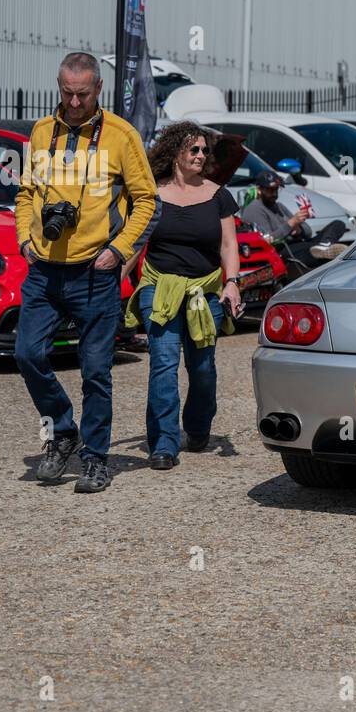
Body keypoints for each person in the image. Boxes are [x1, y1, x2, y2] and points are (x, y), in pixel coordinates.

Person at [14, 52, 158, 494]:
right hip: (45, 271)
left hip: (95, 272)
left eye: (82, 93)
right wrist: (24, 241)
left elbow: (147, 202)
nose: (74, 102)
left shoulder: (120, 134)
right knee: (27, 355)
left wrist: (119, 250)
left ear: (99, 89)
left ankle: (96, 459)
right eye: (66, 93)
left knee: (95, 371)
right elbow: (25, 193)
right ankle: (62, 431)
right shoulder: (41, 132)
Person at [121, 123, 241, 470]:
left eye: (204, 151)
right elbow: (135, 244)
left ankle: (199, 426)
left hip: (204, 292)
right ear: (176, 153)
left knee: (202, 369)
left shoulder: (218, 195)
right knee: (163, 364)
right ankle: (164, 442)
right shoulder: (152, 194)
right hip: (159, 288)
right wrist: (113, 279)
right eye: (194, 150)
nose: (202, 156)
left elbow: (228, 244)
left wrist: (232, 282)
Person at [240, 169, 346, 275]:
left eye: (276, 190)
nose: (274, 194)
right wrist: (290, 224)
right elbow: (268, 240)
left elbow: (308, 232)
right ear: (259, 189)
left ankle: (324, 245)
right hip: (282, 251)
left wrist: (299, 229)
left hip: (299, 243)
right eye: (270, 190)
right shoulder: (254, 208)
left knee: (338, 224)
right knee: (307, 250)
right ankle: (322, 250)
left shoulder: (279, 206)